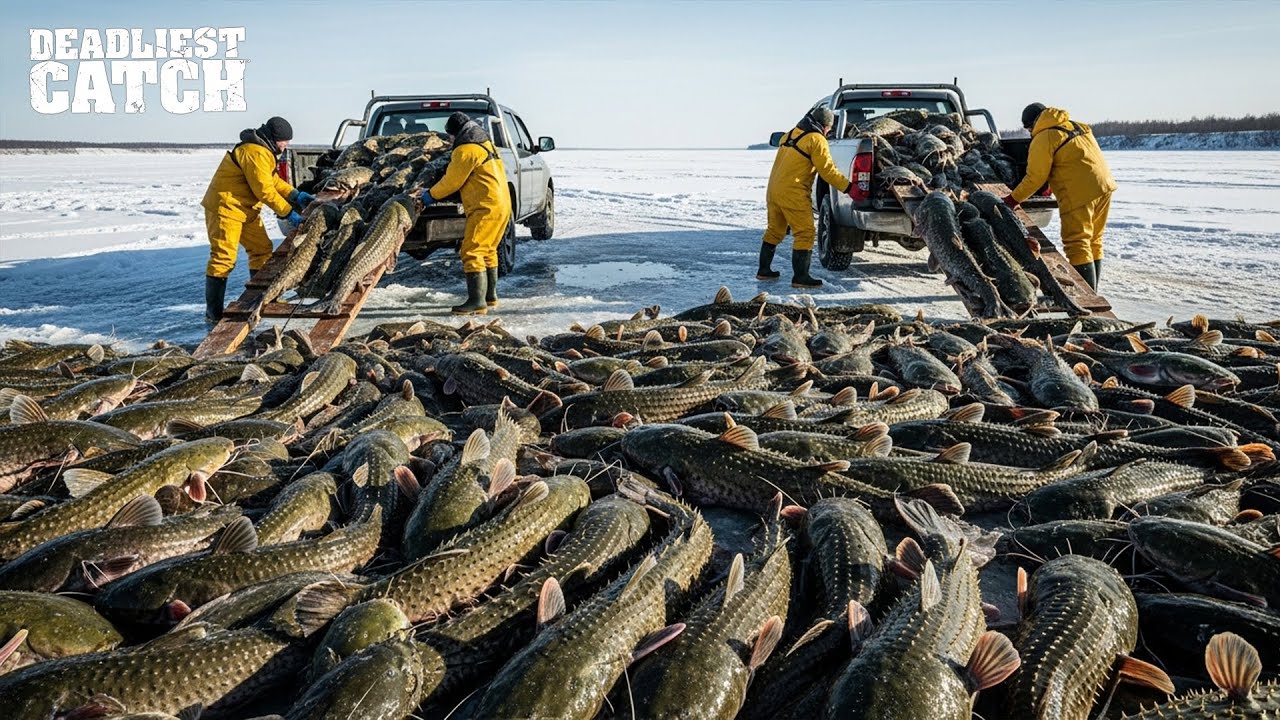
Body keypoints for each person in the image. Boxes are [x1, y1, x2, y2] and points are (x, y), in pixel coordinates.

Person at [200, 116, 313, 323]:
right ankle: (213, 313)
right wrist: (288, 212)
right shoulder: (255, 152)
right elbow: (264, 191)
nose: (286, 145)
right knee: (223, 258)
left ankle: (261, 299)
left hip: (245, 210)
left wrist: (294, 194)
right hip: (226, 208)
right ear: (274, 138)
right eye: (284, 141)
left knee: (261, 249)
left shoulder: (264, 151)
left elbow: (271, 180)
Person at [1005, 103, 1116, 290]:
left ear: (1032, 124)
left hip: (1079, 192)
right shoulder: (1078, 126)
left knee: (1077, 243)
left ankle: (1087, 294)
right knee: (1094, 240)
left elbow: (1035, 177)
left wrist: (1012, 199)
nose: (1030, 132)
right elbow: (1073, 158)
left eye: (1028, 128)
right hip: (1104, 187)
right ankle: (1093, 291)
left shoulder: (1044, 137)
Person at [420, 111, 512, 315]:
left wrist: (429, 196)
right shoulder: (486, 145)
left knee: (471, 251)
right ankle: (490, 297)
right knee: (488, 250)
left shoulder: (466, 150)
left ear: (456, 133)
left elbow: (452, 182)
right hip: (501, 205)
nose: (450, 140)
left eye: (450, 136)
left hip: (484, 207)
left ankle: (476, 302)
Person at [759, 106, 856, 289]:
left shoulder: (789, 134)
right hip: (793, 192)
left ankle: (764, 271)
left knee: (775, 230)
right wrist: (848, 187)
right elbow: (827, 171)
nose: (828, 131)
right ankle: (801, 277)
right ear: (824, 125)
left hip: (773, 190)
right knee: (805, 233)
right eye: (829, 128)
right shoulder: (816, 139)